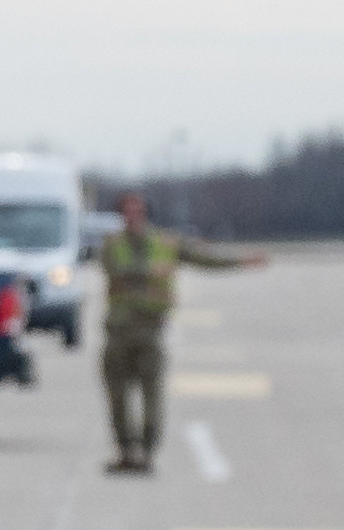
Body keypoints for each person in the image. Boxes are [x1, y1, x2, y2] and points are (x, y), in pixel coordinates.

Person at [93, 188, 265, 472]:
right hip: (119, 332)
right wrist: (152, 272)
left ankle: (146, 452)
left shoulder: (165, 243)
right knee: (117, 397)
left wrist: (242, 260)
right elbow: (120, 270)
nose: (133, 216)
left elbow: (205, 258)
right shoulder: (112, 245)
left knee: (152, 395)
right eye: (127, 211)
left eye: (138, 211)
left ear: (147, 213)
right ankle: (125, 451)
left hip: (150, 329)